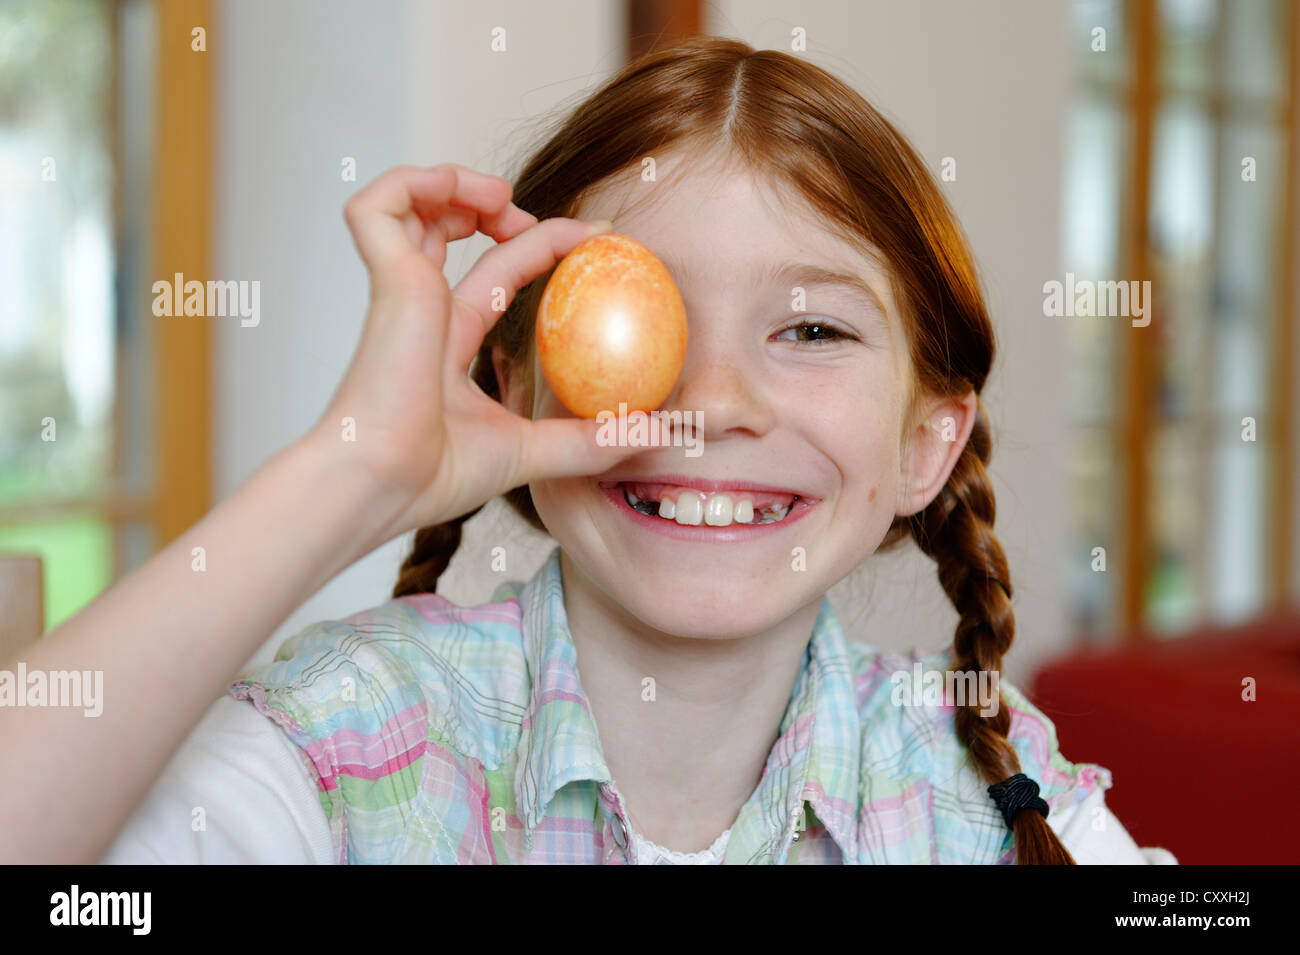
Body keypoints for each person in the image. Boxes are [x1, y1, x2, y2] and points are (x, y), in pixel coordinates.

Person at [1, 36, 1175, 864]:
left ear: (927, 442)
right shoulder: (359, 738)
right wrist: (353, 469)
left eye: (811, 329)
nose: (711, 402)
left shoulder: (981, 784)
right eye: (642, 314)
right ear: (512, 382)